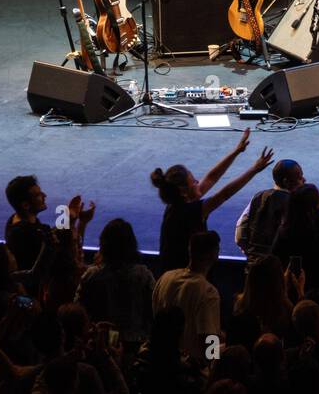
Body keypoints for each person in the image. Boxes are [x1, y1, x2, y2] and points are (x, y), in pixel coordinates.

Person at [150, 129, 275, 272]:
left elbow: (211, 178)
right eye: (194, 182)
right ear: (183, 191)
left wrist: (236, 152)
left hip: (168, 273)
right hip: (184, 276)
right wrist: (254, 169)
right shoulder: (191, 211)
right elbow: (224, 194)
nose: (198, 182)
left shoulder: (176, 203)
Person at [75, 218, 156, 350]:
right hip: (135, 343)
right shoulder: (144, 275)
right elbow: (153, 310)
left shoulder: (91, 275)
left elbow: (79, 309)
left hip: (99, 343)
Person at [152, 230, 223, 365]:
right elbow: (209, 340)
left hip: (160, 360)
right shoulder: (208, 292)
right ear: (214, 254)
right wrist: (214, 365)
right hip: (191, 370)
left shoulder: (165, 278)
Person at [233, 159, 304, 264]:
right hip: (279, 268)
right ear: (286, 181)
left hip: (253, 267)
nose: (303, 179)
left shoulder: (258, 197)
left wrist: (253, 253)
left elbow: (240, 233)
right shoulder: (294, 203)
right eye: (299, 178)